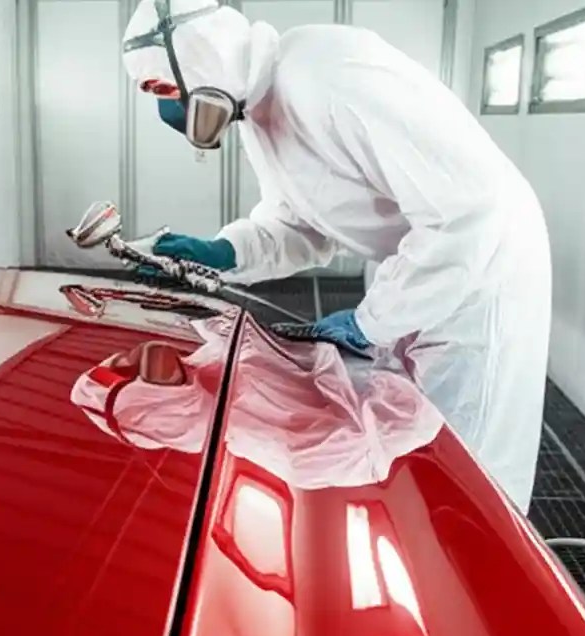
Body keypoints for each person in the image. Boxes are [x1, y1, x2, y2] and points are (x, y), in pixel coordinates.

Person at [121, 0, 551, 511]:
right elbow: (300, 222)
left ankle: (489, 581)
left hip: (478, 274)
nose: (170, 111)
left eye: (165, 89)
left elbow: (466, 211)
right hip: (417, 267)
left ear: (200, 55)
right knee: (410, 441)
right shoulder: (261, 108)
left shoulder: (327, 74)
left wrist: (374, 321)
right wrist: (223, 251)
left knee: (466, 461)